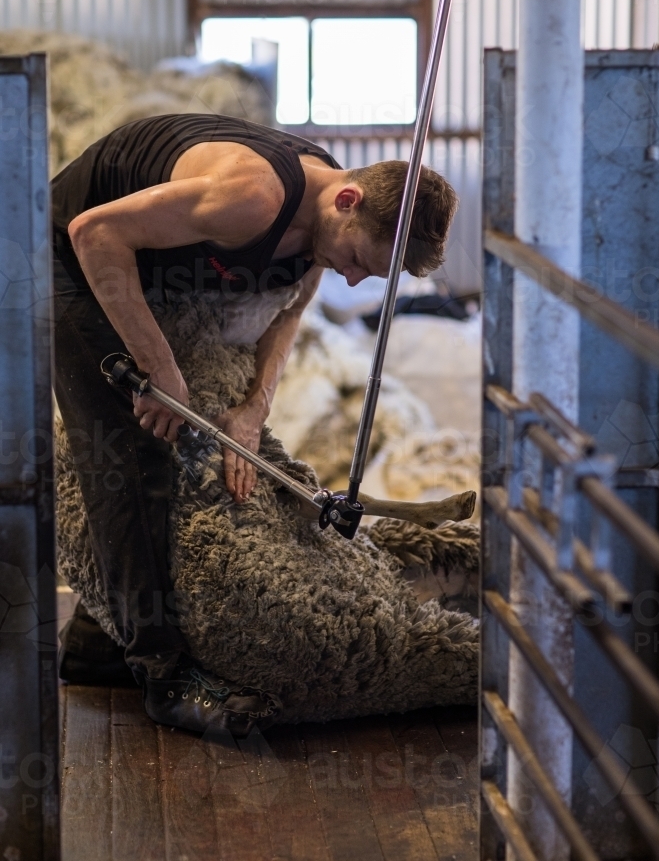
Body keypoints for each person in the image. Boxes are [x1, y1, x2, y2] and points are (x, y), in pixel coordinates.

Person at [53, 113, 458, 737]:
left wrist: (252, 412)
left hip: (149, 263)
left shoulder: (329, 218)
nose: (350, 277)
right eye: (355, 259)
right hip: (68, 256)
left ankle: (95, 644)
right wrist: (160, 369)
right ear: (347, 199)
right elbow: (93, 232)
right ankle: (163, 678)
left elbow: (290, 310)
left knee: (197, 439)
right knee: (131, 458)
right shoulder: (252, 196)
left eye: (366, 277)